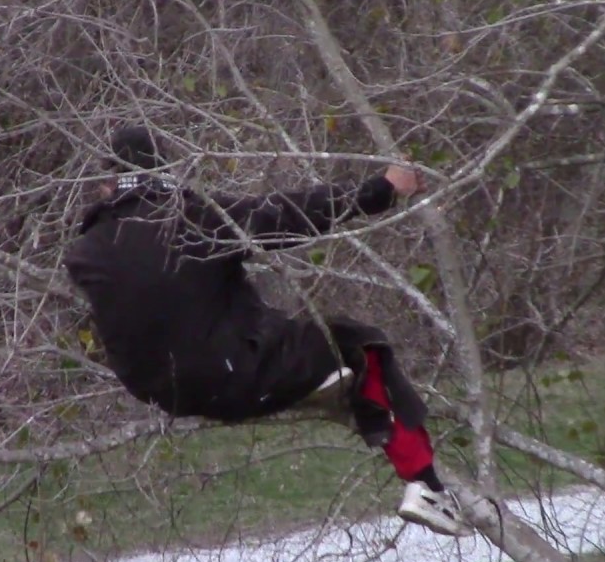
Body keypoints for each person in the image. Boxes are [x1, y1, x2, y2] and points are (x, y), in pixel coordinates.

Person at [63, 125, 471, 538]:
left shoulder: (84, 253)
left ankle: (342, 398)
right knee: (360, 344)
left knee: (292, 352)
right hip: (233, 374)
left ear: (108, 183)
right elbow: (286, 214)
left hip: (164, 393)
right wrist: (381, 189)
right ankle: (427, 487)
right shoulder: (193, 220)